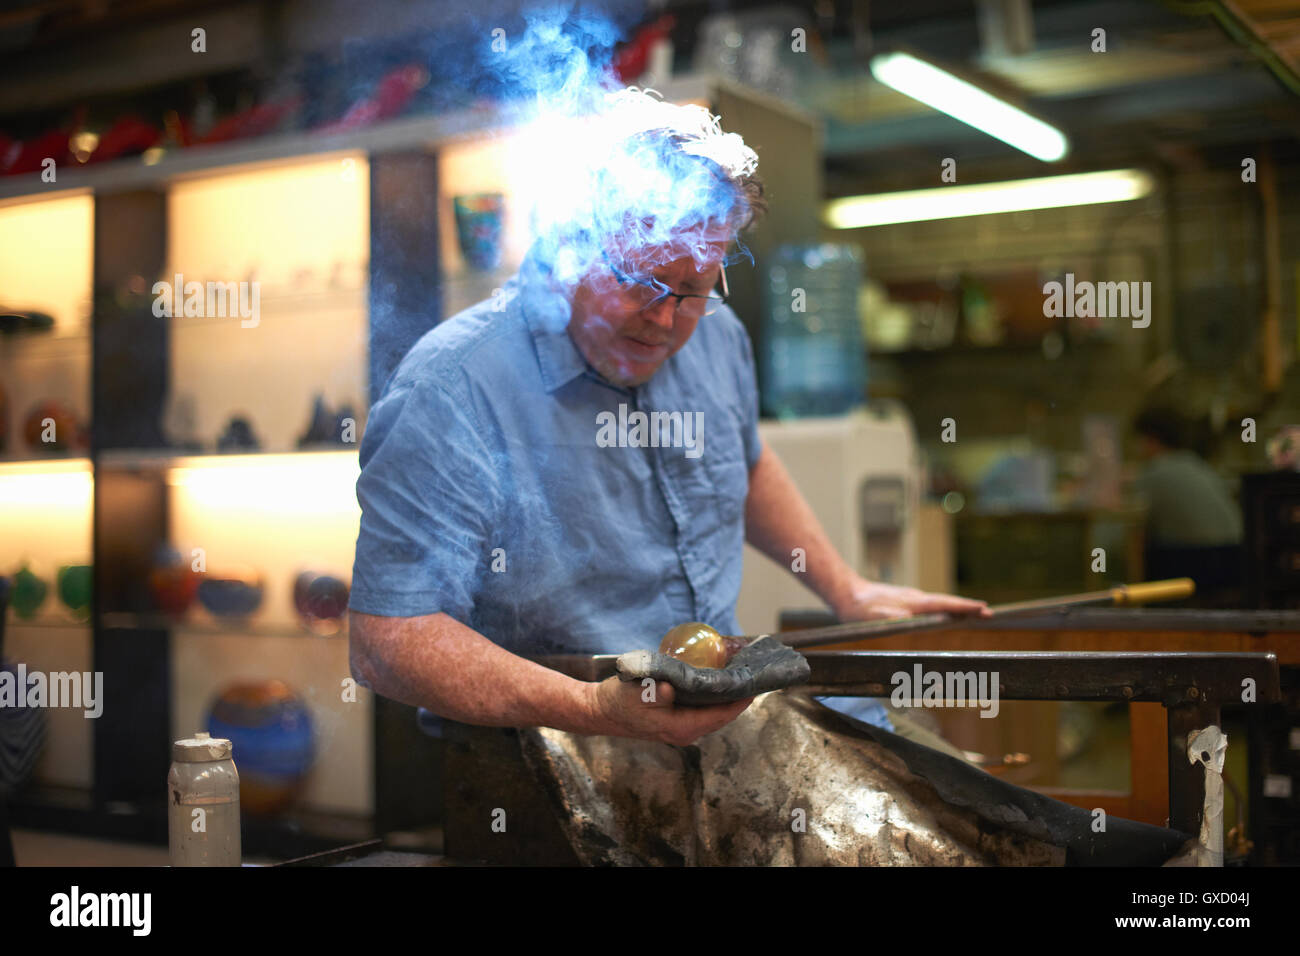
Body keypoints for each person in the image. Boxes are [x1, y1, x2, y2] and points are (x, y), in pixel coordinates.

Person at [347, 88, 988, 750]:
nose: (663, 319)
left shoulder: (716, 338)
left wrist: (844, 587)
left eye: (693, 289)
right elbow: (388, 639)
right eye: (639, 282)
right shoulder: (453, 387)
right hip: (543, 754)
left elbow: (745, 463)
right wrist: (595, 708)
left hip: (714, 733)